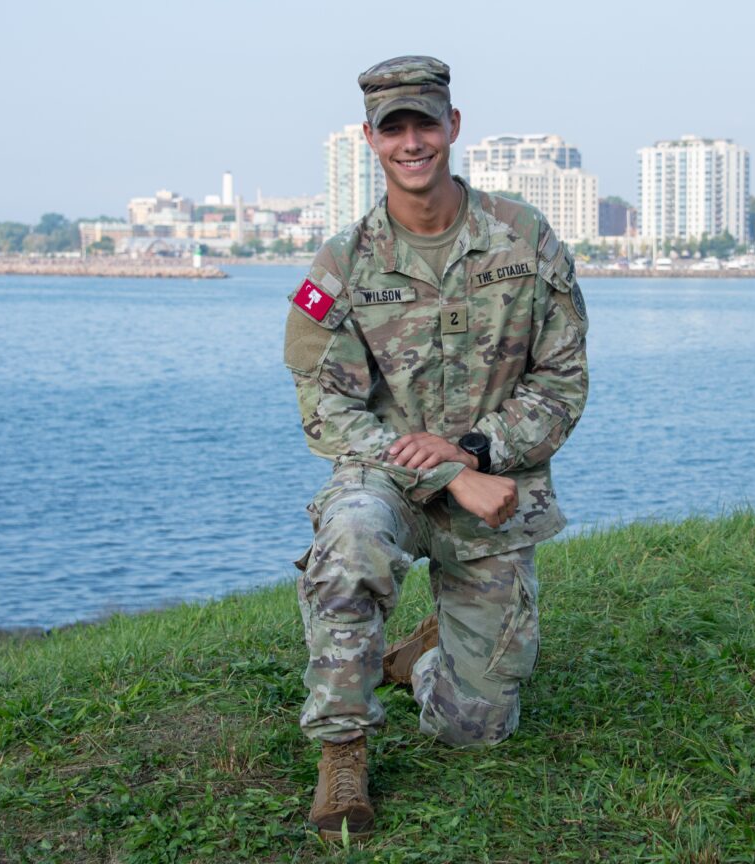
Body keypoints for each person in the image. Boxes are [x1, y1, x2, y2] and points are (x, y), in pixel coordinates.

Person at [284, 55, 589, 841]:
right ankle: (342, 748)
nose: (412, 142)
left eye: (425, 123)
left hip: (495, 489)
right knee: (349, 540)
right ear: (370, 141)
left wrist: (481, 452)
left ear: (453, 127)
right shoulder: (344, 264)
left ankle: (426, 653)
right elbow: (325, 408)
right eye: (394, 129)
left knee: (476, 728)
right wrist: (451, 470)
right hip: (385, 481)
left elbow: (561, 382)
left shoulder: (522, 238)